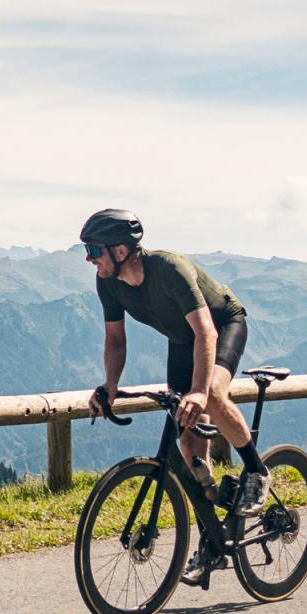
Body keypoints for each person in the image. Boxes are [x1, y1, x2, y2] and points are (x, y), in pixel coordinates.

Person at [80, 208, 269, 519]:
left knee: (212, 393)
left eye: (93, 250)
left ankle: (256, 470)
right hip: (183, 341)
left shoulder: (169, 269)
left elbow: (205, 331)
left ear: (121, 250)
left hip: (221, 326)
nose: (89, 259)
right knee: (190, 451)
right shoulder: (108, 283)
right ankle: (214, 541)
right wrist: (110, 384)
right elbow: (115, 340)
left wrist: (198, 391)